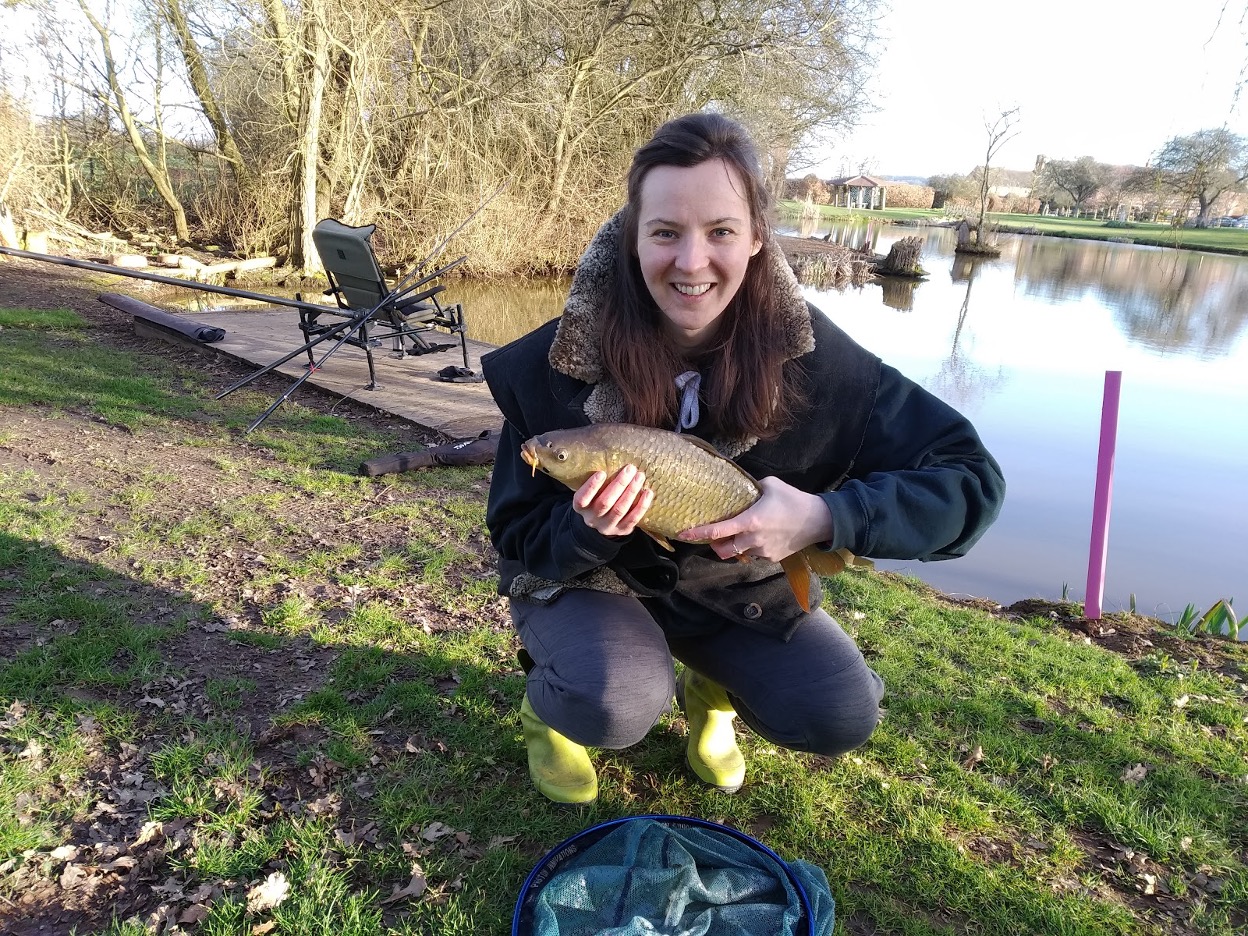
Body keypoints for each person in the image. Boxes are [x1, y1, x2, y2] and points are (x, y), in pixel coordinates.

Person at [481, 113, 1005, 804]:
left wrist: (822, 517)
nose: (691, 262)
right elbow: (515, 535)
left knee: (839, 710)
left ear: (758, 238)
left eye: (720, 231)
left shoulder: (826, 364)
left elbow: (970, 480)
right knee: (613, 700)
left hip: (731, 589)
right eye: (665, 232)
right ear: (633, 237)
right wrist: (586, 530)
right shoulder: (550, 362)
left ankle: (713, 690)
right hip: (589, 582)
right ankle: (552, 713)